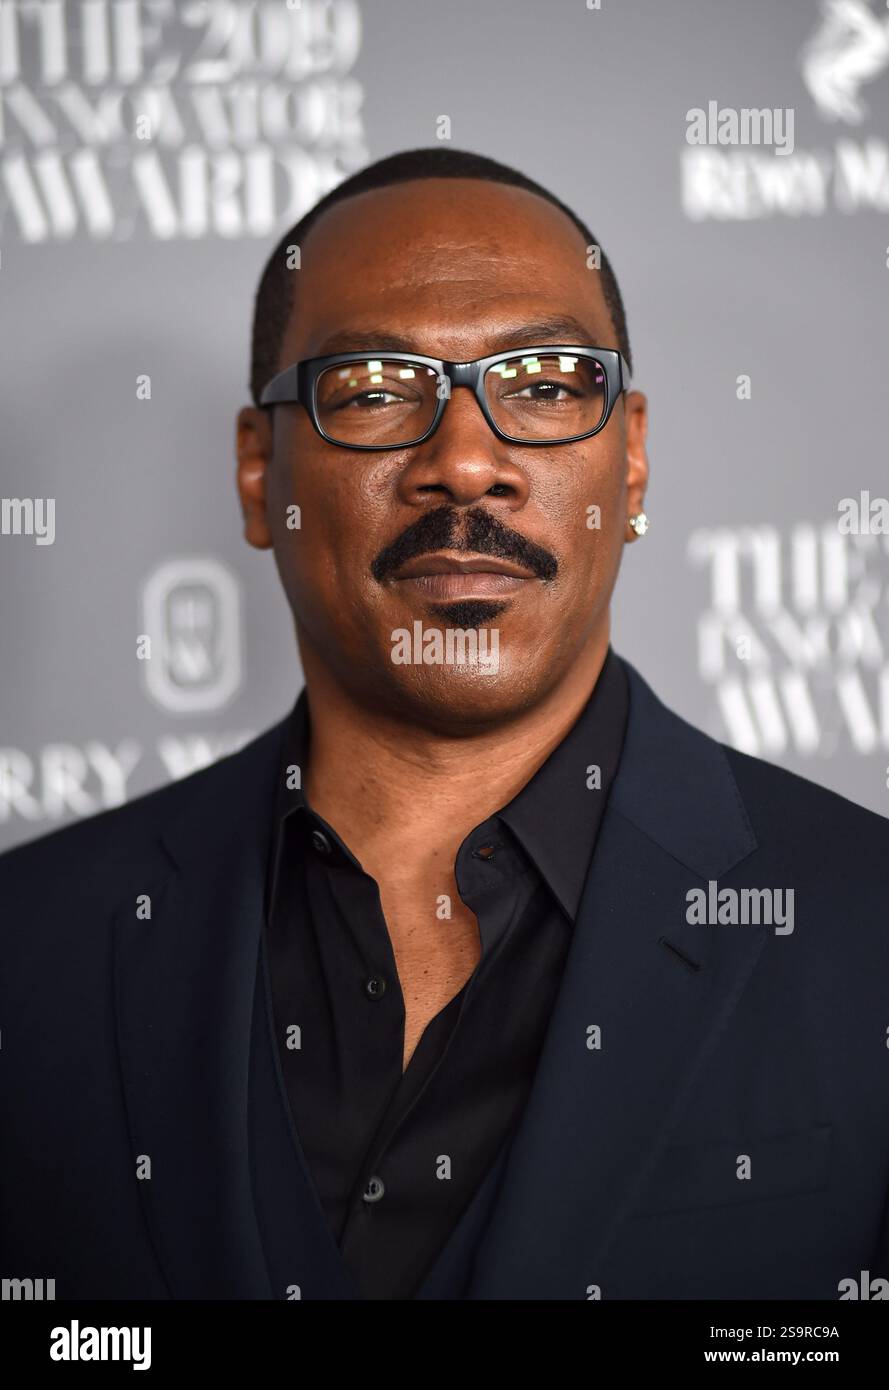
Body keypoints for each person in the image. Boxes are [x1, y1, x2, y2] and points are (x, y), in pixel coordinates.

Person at [2, 147, 888, 1302]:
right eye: (373, 389)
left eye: (547, 383)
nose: (465, 463)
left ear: (630, 459)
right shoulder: (32, 947)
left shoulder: (864, 927)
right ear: (258, 470)